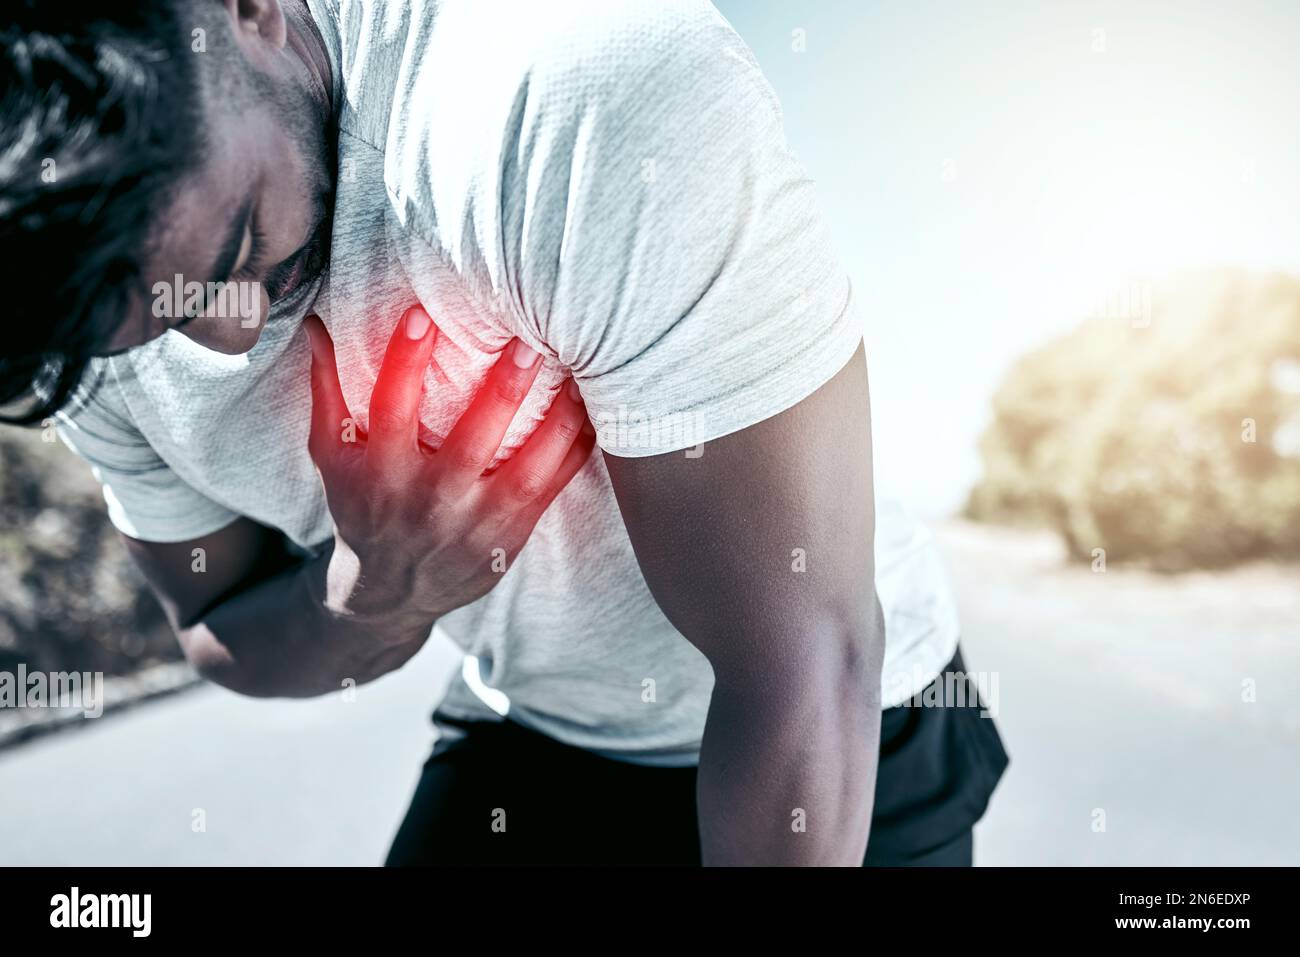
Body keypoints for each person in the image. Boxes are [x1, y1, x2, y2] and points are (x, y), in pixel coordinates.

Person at [0, 0, 1008, 865]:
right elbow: (213, 627)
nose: (229, 333)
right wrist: (369, 599)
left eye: (232, 246)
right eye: (159, 323)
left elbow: (803, 654)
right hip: (538, 723)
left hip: (846, 725)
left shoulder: (583, 94)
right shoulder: (68, 299)